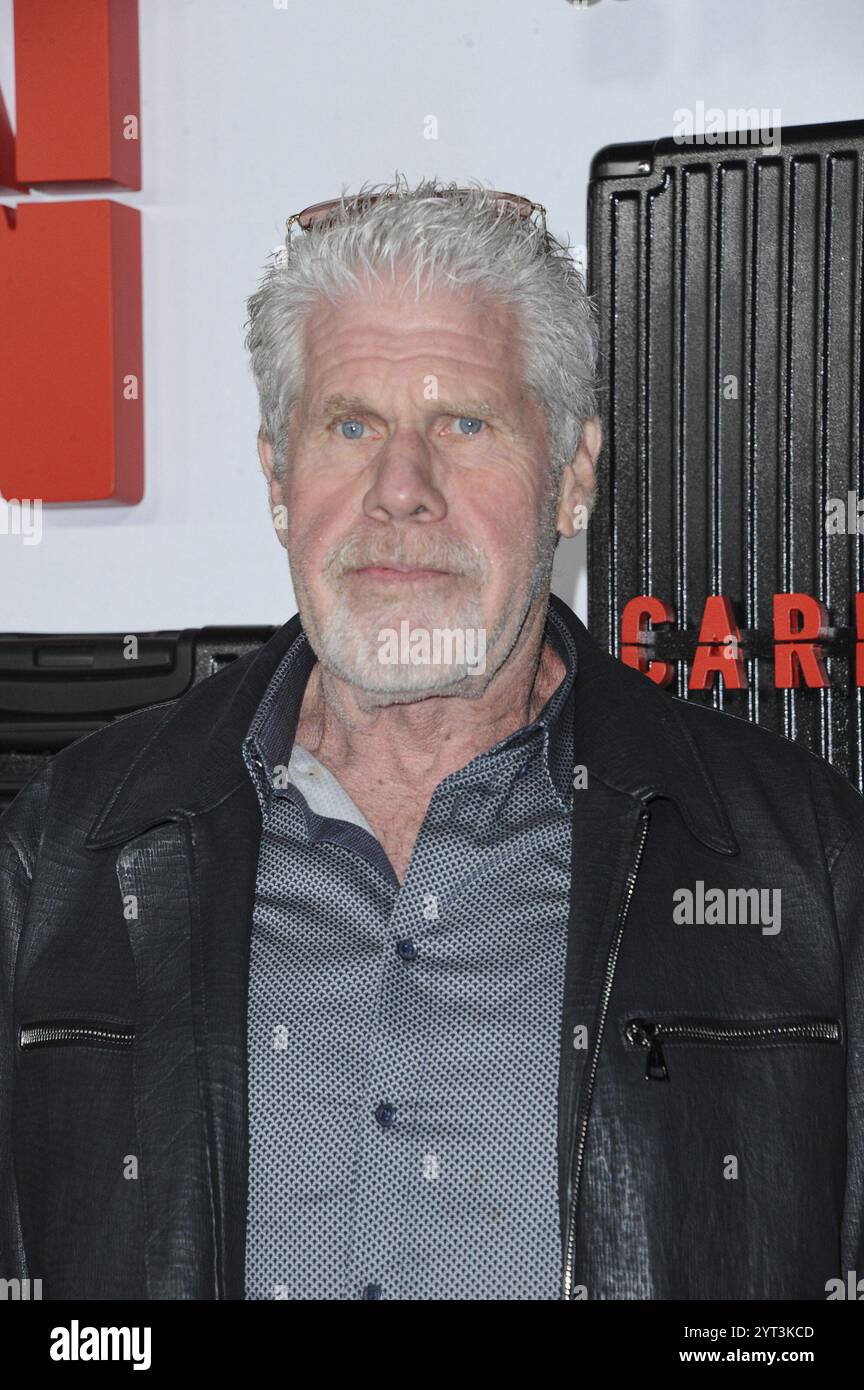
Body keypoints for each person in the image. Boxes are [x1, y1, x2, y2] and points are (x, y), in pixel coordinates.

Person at [2, 175, 863, 1301]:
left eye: (463, 423)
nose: (401, 489)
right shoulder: (64, 857)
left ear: (575, 476)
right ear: (277, 477)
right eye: (351, 424)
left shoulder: (805, 860)